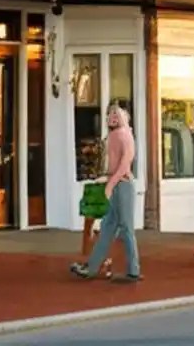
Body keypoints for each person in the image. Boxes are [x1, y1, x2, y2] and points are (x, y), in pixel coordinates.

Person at [70, 104, 141, 282]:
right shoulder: (113, 136)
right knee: (107, 228)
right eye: (110, 114)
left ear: (124, 117)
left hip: (123, 185)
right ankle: (92, 267)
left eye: (116, 114)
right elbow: (113, 165)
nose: (113, 117)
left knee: (126, 227)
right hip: (115, 183)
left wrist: (110, 185)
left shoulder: (125, 135)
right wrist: (106, 179)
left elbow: (125, 164)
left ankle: (134, 270)